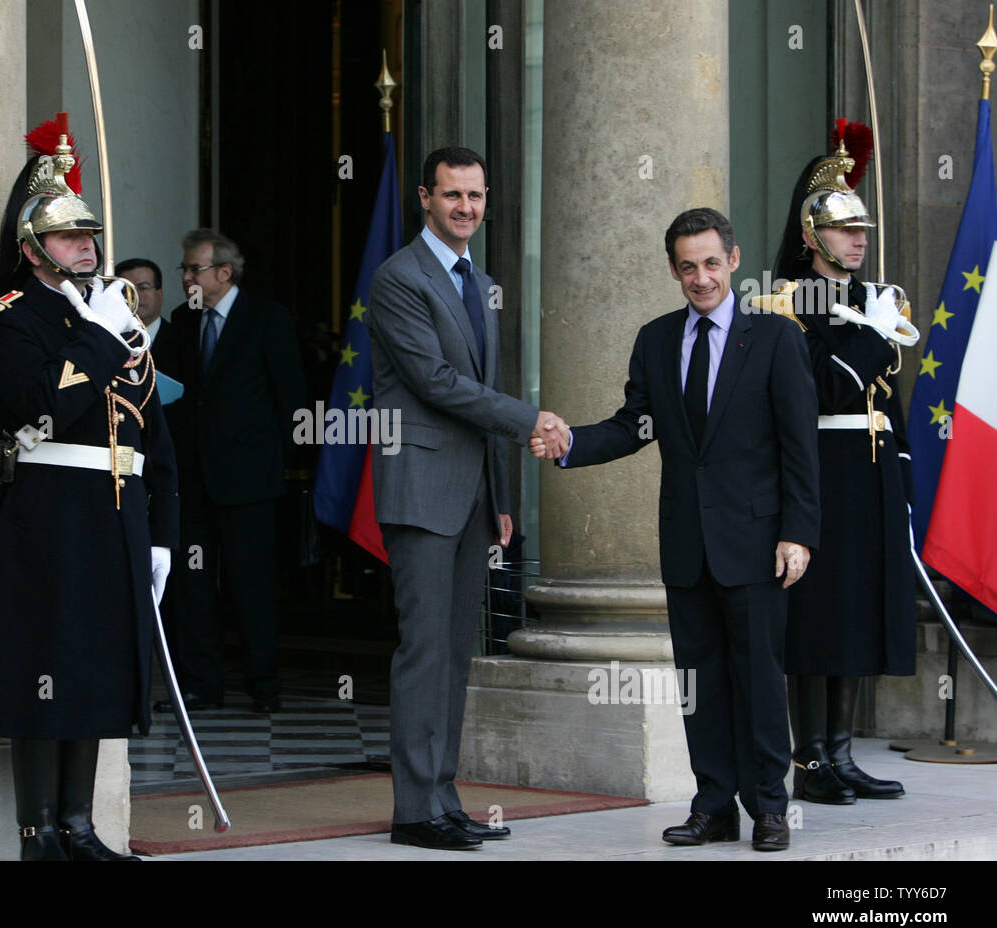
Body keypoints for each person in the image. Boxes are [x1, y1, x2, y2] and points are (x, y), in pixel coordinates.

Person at [537, 208, 820, 852]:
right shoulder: (657, 339)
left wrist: (798, 532)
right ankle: (713, 805)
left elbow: (800, 446)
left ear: (735, 261)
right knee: (700, 683)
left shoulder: (775, 338)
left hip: (757, 545)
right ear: (673, 269)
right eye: (688, 266)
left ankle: (770, 808)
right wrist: (570, 443)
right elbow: (634, 425)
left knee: (758, 680)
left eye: (711, 263)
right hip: (688, 547)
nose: (701, 277)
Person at [0, 114, 178, 860]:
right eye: (67, 237)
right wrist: (97, 331)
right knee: (45, 669)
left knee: (94, 669)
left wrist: (161, 534)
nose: (86, 246)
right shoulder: (10, 321)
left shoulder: (115, 317)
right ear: (31, 249)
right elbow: (46, 401)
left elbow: (155, 439)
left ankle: (81, 824)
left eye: (89, 235)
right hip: (50, 513)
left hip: (116, 512)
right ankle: (39, 830)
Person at [367, 146, 568, 851]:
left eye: (476, 196)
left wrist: (502, 493)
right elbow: (436, 381)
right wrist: (529, 419)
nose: (465, 208)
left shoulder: (478, 281)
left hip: (471, 496)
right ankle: (413, 810)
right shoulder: (399, 278)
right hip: (420, 491)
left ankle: (442, 794)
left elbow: (478, 390)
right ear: (426, 197)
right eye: (451, 195)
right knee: (424, 650)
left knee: (457, 652)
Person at [767, 123, 914, 805]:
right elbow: (827, 387)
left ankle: (842, 753)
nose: (859, 239)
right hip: (823, 468)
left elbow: (889, 402)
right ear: (812, 235)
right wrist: (878, 339)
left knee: (859, 609)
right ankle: (811, 762)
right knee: (820, 614)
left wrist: (905, 476)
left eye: (862, 228)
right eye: (845, 228)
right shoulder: (793, 302)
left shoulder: (868, 299)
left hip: (871, 471)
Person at [152, 228, 305, 714]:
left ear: (224, 272)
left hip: (249, 482)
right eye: (183, 269)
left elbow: (291, 398)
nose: (185, 277)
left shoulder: (267, 318)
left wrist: (282, 463)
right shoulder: (182, 320)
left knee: (251, 585)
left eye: (194, 268)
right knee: (194, 587)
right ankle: (200, 685)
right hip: (193, 482)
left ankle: (265, 686)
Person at [115, 257, 172, 348]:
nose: (135, 296)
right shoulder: (109, 340)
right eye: (126, 290)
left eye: (143, 288)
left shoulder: (183, 339)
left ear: (159, 294)